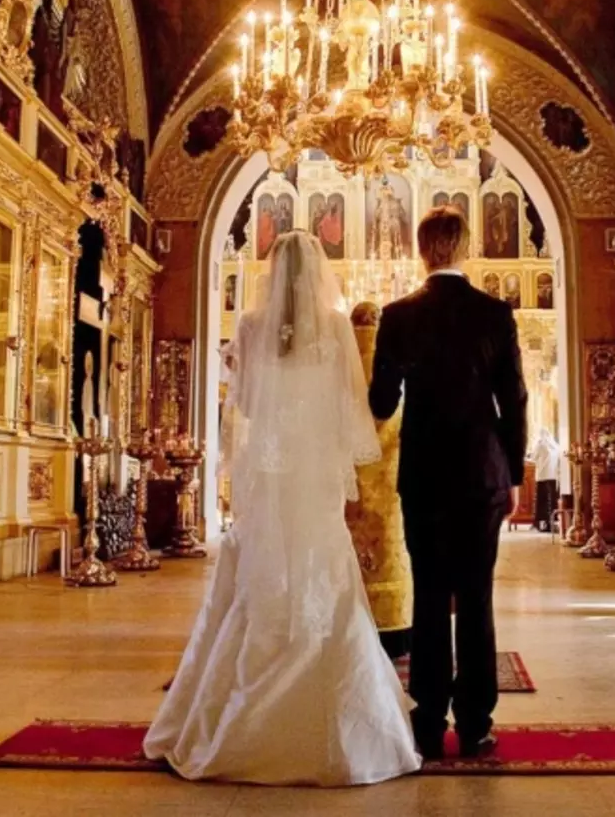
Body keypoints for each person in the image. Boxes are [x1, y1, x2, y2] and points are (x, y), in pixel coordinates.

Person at [144, 231, 421, 786]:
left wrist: (245, 378)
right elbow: (352, 406)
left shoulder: (250, 327)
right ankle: (337, 722)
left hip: (272, 471)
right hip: (314, 471)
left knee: (265, 573)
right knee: (323, 574)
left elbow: (245, 404)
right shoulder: (337, 326)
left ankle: (238, 718)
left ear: (272, 270)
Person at [369, 205, 528, 760]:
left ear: (421, 249)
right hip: (484, 473)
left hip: (425, 476)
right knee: (477, 597)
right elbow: (514, 399)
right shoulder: (494, 313)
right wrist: (514, 470)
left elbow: (383, 403)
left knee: (430, 596)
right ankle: (478, 723)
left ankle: (430, 721)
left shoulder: (398, 316)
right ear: (465, 249)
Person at [531, 428, 560, 533]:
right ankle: (551, 523)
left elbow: (533, 457)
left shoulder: (541, 445)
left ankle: (540, 523)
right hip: (553, 477)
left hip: (542, 476)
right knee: (551, 500)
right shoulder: (555, 446)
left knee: (542, 501)